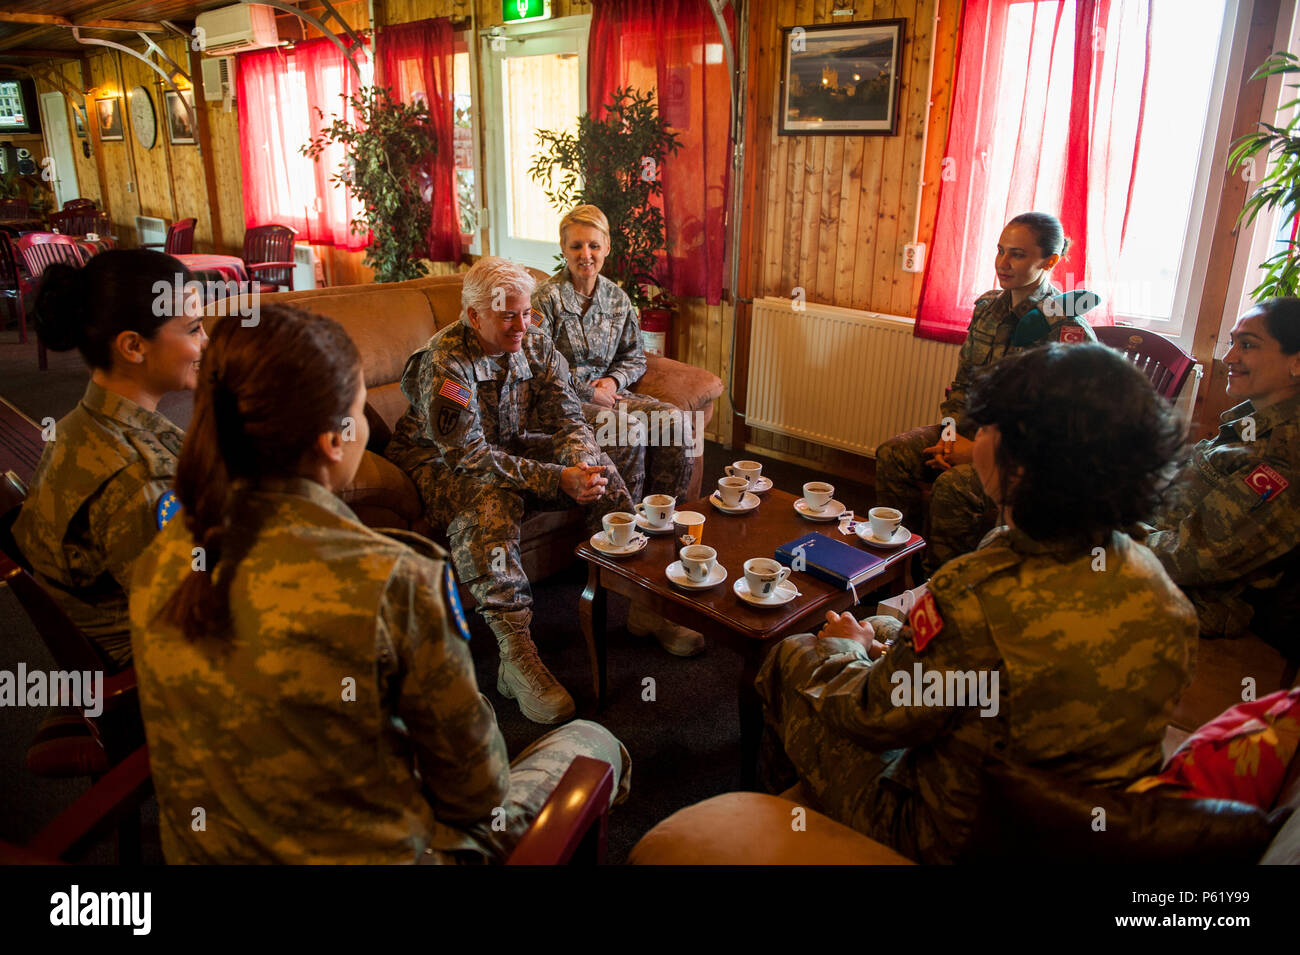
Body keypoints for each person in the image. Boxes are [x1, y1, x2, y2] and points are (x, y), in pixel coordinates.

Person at [129, 304, 630, 864]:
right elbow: (478, 793)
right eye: (361, 408)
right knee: (595, 743)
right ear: (333, 442)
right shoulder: (398, 580)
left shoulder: (162, 557)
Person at [757, 343, 1196, 864]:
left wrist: (845, 650)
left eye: (985, 427)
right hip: (1082, 834)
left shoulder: (975, 591)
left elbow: (873, 716)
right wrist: (890, 644)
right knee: (881, 629)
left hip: (954, 836)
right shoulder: (1158, 584)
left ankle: (777, 831)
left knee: (793, 656)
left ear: (1023, 460)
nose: (972, 438)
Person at [384, 256, 633, 724]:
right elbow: (470, 458)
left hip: (506, 443)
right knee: (492, 501)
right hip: (440, 461)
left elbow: (567, 416)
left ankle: (643, 596)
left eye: (527, 313)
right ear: (474, 316)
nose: (522, 325)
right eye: (508, 316)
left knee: (601, 470)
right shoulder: (445, 363)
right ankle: (515, 657)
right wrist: (556, 478)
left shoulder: (534, 339)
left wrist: (580, 462)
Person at [12, 249, 205, 669]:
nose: (204, 342)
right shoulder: (137, 478)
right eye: (193, 328)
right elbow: (194, 619)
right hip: (156, 676)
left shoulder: (79, 426)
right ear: (133, 346)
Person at [874, 212, 1096, 573]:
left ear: (1049, 261)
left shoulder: (1066, 329)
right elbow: (963, 386)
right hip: (971, 433)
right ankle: (901, 568)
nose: (1003, 263)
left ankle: (943, 585)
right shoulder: (988, 309)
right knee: (893, 454)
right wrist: (950, 436)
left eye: (1018, 255)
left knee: (953, 486)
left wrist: (978, 452)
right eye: (1000, 250)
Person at [532, 204, 703, 657]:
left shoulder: (617, 298)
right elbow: (538, 369)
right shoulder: (545, 301)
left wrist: (612, 381)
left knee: (674, 425)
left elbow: (634, 357)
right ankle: (625, 578)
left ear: (607, 248)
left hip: (611, 393)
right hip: (565, 402)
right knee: (624, 430)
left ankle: (662, 546)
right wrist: (589, 388)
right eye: (576, 246)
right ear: (563, 249)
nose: (585, 254)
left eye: (593, 245)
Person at [1144, 298, 1300, 653]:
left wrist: (1105, 534)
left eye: (1247, 345)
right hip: (1151, 558)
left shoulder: (1283, 459)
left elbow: (1192, 557)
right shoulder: (1251, 424)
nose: (1229, 357)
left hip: (1186, 600)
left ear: (1297, 363)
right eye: (1232, 342)